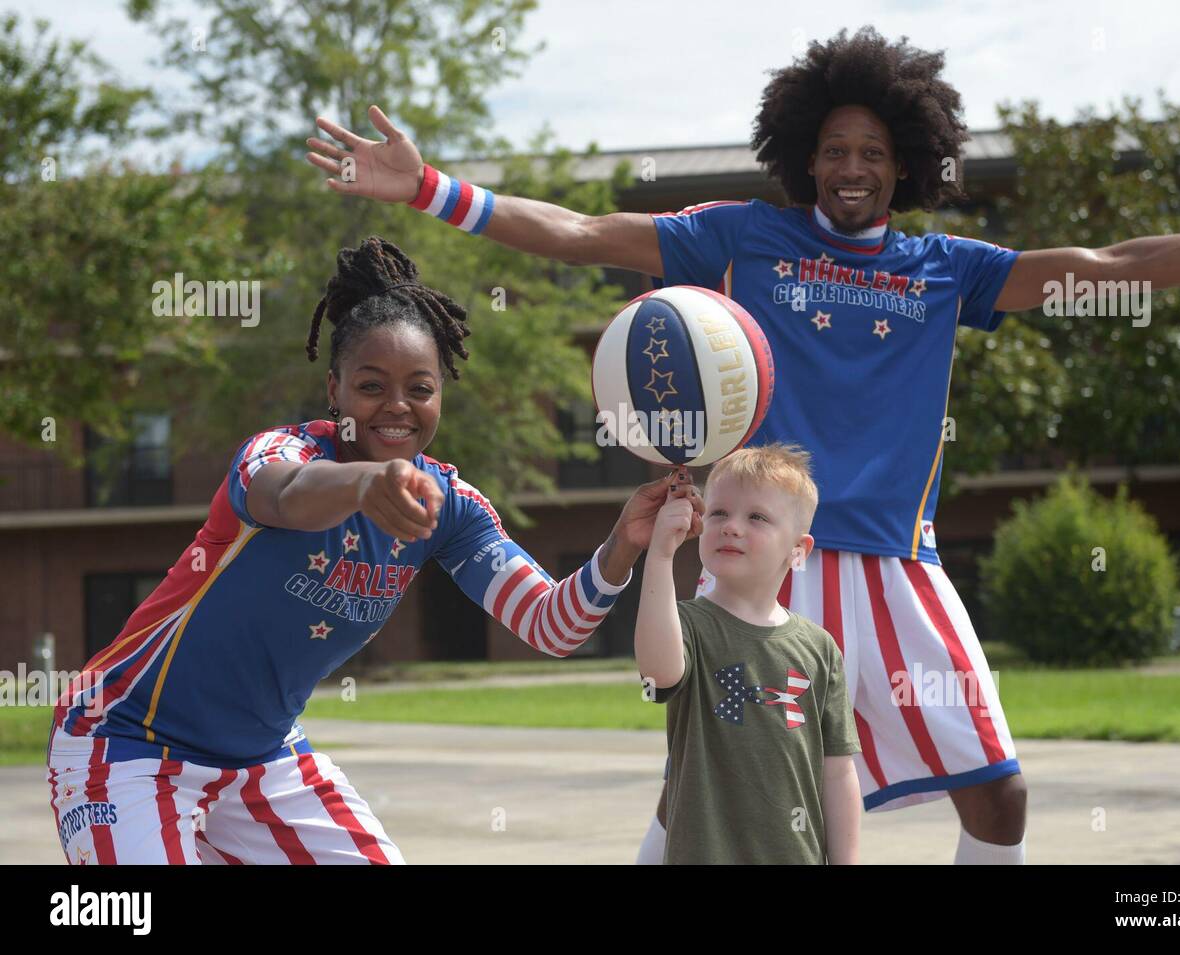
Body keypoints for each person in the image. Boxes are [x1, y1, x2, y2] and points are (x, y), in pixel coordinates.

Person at [306, 27, 1180, 865]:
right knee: (700, 794)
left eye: (871, 151)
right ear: (802, 157)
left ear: (903, 162)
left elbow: (1107, 262)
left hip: (900, 569)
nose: (852, 167)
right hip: (760, 563)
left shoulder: (944, 269)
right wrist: (431, 188)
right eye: (834, 150)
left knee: (997, 792)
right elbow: (580, 232)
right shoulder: (744, 237)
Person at [46, 236, 703, 865]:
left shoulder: (450, 506)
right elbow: (289, 494)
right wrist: (366, 483)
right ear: (334, 391)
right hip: (123, 740)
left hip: (258, 759)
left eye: (420, 387)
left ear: (441, 393)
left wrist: (623, 546)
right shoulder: (280, 455)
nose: (398, 405)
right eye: (371, 386)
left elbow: (552, 624)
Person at [637, 444, 860, 864]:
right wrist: (661, 554)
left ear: (798, 550)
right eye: (719, 513)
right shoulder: (688, 624)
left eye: (756, 517)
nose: (731, 527)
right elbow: (658, 674)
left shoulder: (819, 648)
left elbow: (838, 771)